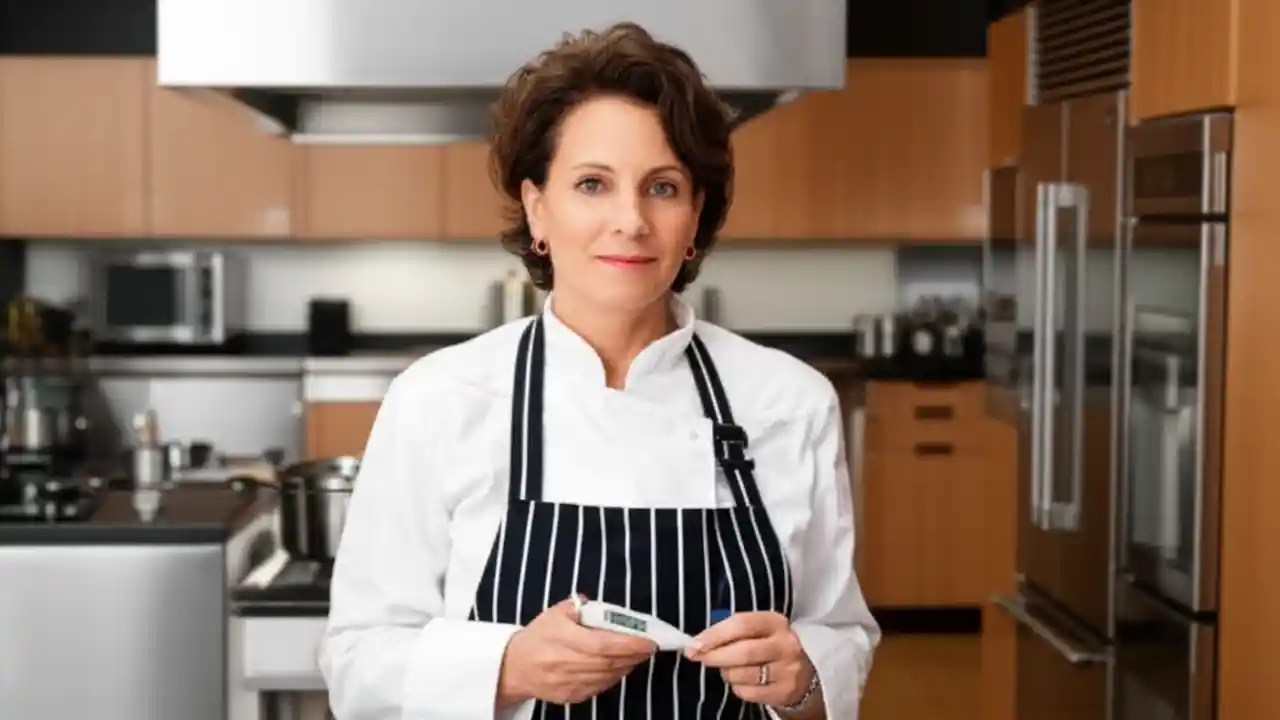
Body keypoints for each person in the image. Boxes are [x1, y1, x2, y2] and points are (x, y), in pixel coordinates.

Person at [319, 22, 880, 720]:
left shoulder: (790, 401)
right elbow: (358, 662)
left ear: (696, 217)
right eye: (592, 184)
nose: (631, 220)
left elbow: (842, 633)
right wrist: (507, 667)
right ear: (537, 209)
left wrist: (803, 678)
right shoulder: (438, 400)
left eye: (663, 188)